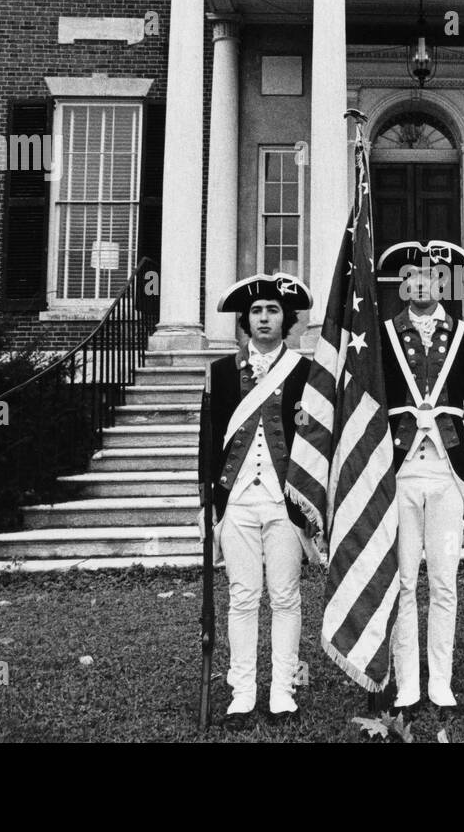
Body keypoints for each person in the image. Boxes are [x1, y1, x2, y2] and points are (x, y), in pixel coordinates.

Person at [377, 240, 464, 716]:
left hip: (448, 469)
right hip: (400, 469)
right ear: (402, 285)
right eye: (412, 276)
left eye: (430, 276)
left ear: (444, 283)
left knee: (444, 581)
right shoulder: (383, 334)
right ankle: (407, 684)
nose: (421, 283)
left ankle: (440, 682)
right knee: (404, 581)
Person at [200, 272, 314, 724]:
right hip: (237, 499)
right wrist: (207, 503)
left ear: (286, 318)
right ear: (245, 320)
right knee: (243, 597)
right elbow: (208, 444)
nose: (264, 318)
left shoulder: (305, 372)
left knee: (285, 597)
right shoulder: (220, 373)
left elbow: (317, 441)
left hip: (285, 501)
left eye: (273, 310)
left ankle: (283, 690)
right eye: (256, 311)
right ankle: (242, 692)